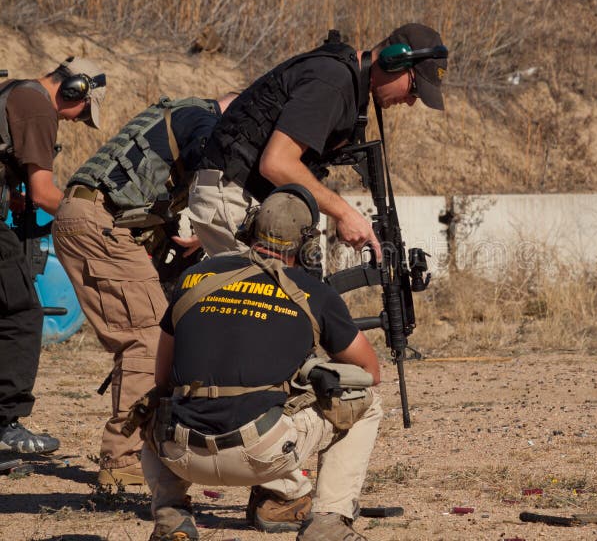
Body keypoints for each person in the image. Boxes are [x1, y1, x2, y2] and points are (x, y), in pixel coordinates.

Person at [142, 184, 382, 541]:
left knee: (155, 403)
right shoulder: (314, 292)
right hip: (261, 453)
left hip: (181, 452)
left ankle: (171, 515)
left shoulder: (194, 277)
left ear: (250, 230)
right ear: (307, 244)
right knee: (368, 405)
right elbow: (370, 372)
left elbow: (161, 379)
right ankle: (329, 523)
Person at [52, 92, 237, 485]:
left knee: (142, 333)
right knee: (147, 338)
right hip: (100, 224)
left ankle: (137, 448)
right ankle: (122, 459)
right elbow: (213, 183)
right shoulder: (206, 122)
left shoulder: (181, 114)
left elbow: (152, 186)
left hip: (87, 217)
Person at [188, 22, 447, 259]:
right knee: (266, 305)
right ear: (394, 61)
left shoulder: (347, 84)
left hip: (242, 199)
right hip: (233, 195)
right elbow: (276, 163)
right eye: (414, 88)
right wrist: (344, 213)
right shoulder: (333, 81)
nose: (412, 101)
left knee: (299, 298)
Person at [0, 57, 106, 454]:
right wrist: (89, 215)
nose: (77, 120)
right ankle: (5, 424)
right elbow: (44, 192)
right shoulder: (38, 106)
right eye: (83, 111)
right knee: (22, 311)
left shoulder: (14, 92)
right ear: (74, 88)